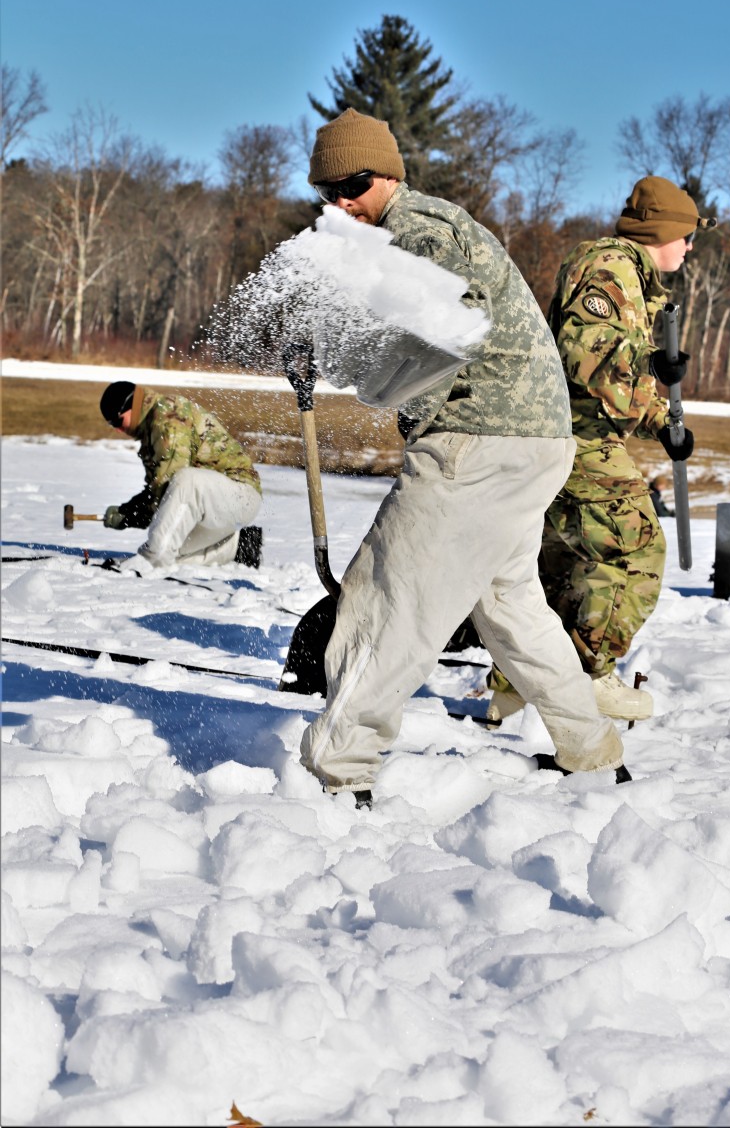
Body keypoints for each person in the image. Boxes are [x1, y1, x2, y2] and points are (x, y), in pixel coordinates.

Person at [298, 107, 628, 807]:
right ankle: (593, 753)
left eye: (353, 184)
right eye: (328, 192)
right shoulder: (416, 235)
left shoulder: (419, 230)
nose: (342, 203)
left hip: (478, 444)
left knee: (389, 597)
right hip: (531, 444)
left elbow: (443, 326)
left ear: (388, 174)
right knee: (510, 606)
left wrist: (384, 380)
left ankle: (339, 771)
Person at [487, 176, 715, 726]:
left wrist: (662, 420)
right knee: (635, 552)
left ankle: (516, 683)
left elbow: (613, 374)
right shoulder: (609, 267)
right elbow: (583, 355)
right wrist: (650, 364)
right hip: (576, 440)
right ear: (661, 230)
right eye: (687, 235)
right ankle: (588, 680)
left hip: (562, 434)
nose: (689, 247)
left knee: (565, 566)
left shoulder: (627, 274)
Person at [99, 381, 263, 572]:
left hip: (240, 495)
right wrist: (127, 513)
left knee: (185, 483)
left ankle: (152, 560)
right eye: (113, 426)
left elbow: (172, 484)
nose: (118, 430)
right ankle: (236, 547)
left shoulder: (167, 414)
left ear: (132, 405)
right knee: (171, 549)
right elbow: (162, 495)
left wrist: (133, 515)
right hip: (213, 508)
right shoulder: (150, 433)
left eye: (118, 421)